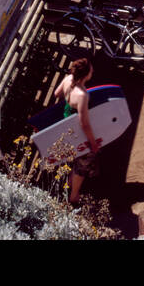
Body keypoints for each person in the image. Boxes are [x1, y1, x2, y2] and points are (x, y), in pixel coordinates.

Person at [52, 58, 100, 206]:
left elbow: (56, 93)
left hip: (66, 122)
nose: (93, 72)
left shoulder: (68, 79)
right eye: (91, 71)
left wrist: (68, 98)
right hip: (77, 130)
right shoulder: (82, 95)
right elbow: (84, 123)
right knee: (83, 162)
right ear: (86, 75)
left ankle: (70, 185)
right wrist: (93, 143)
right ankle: (74, 196)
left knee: (76, 159)